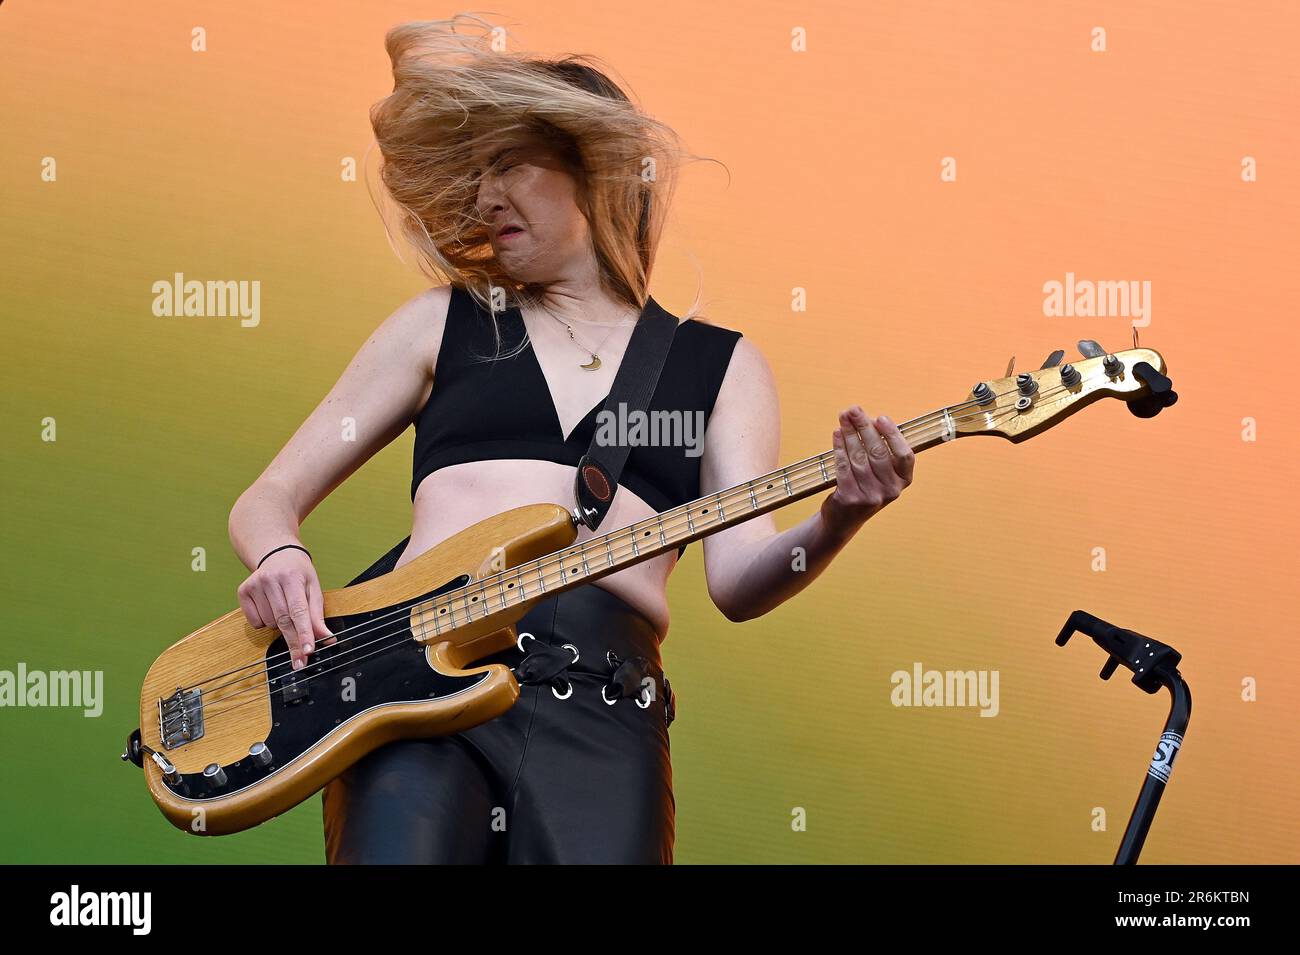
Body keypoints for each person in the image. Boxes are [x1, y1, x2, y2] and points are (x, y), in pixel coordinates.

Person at [226, 15, 915, 864]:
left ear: (590, 167)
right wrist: (276, 556)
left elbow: (736, 580)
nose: (484, 200)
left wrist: (840, 518)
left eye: (508, 165)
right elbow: (266, 499)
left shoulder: (720, 365)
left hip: (603, 706)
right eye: (474, 176)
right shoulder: (443, 324)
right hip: (416, 688)